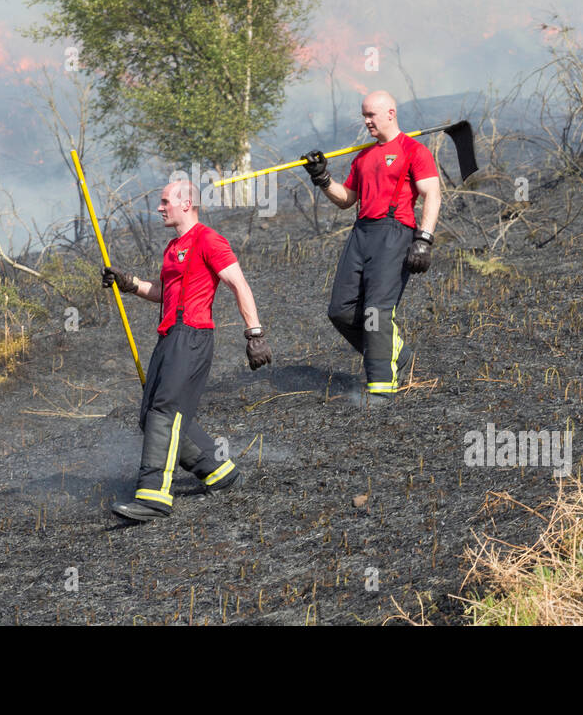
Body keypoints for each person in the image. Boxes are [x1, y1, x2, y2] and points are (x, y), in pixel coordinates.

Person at [102, 178, 271, 521]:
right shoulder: (172, 247)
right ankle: (218, 472)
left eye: (165, 201)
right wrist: (128, 283)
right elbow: (162, 293)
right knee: (150, 416)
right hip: (168, 337)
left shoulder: (209, 239)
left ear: (186, 203)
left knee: (164, 411)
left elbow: (238, 283)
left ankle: (153, 497)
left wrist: (254, 334)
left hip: (192, 336)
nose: (160, 207)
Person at [302, 91, 441, 400]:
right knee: (340, 310)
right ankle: (396, 351)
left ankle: (381, 390)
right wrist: (322, 177)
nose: (366, 121)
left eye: (371, 115)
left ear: (390, 113)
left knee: (376, 311)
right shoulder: (364, 156)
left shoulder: (413, 150)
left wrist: (424, 239)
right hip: (361, 231)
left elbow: (432, 193)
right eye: (364, 115)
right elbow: (346, 199)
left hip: (395, 232)